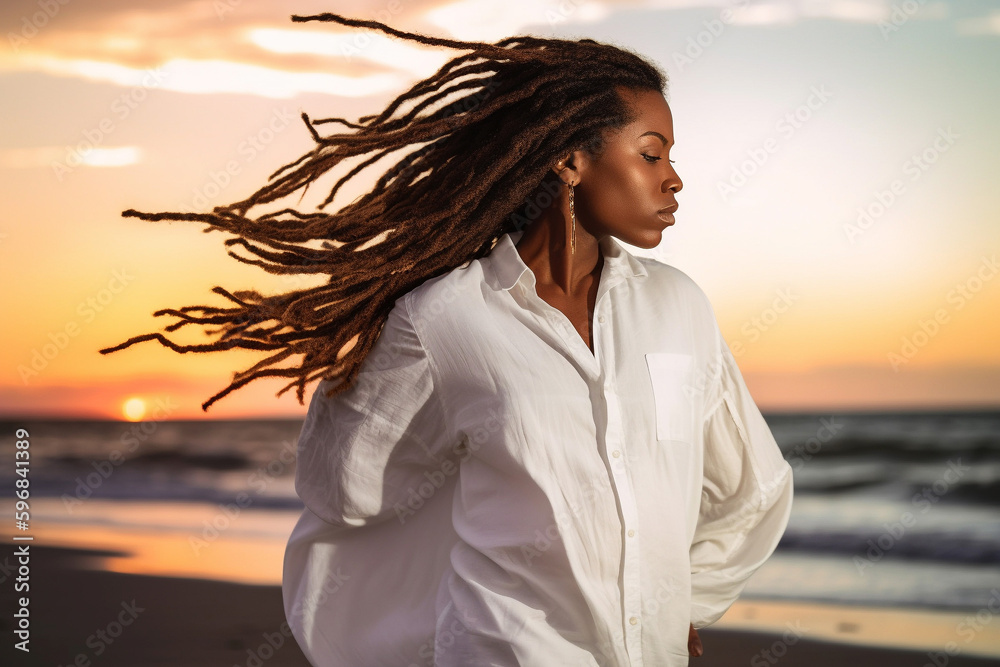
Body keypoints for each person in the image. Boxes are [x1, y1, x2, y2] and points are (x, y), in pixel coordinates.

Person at [100, 13, 793, 667]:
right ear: (570, 159)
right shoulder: (445, 317)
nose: (673, 178)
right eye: (651, 153)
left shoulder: (679, 308)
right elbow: (345, 487)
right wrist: (376, 357)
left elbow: (752, 487)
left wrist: (677, 602)